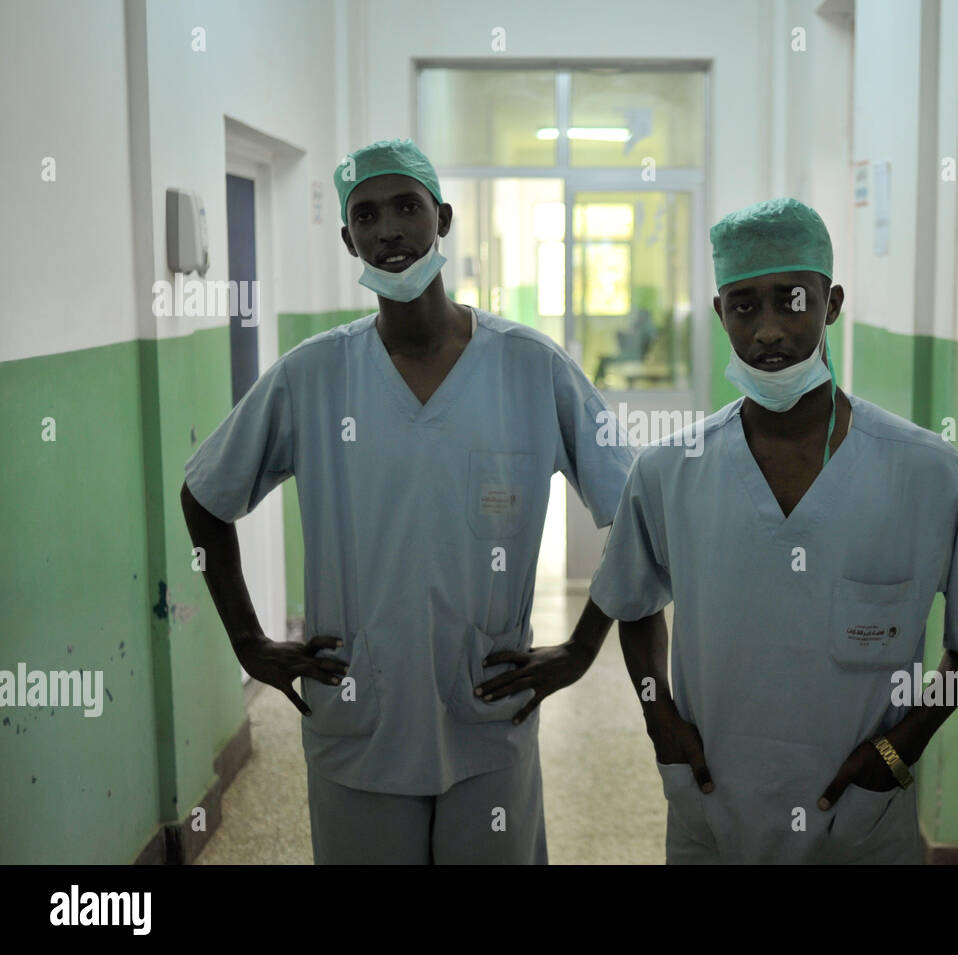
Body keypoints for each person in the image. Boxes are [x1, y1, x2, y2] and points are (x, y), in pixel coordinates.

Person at [180, 138, 634, 864]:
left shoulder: (530, 367)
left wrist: (583, 646)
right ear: (347, 237)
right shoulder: (314, 376)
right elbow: (205, 493)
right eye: (366, 214)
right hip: (361, 719)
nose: (387, 228)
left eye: (405, 207)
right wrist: (246, 640)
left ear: (442, 218)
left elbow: (633, 508)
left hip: (487, 713)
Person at [587, 197, 958, 864]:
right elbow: (633, 604)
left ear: (832, 302)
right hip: (716, 809)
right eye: (743, 305)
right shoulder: (670, 471)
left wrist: (906, 743)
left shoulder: (926, 473)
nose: (767, 330)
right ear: (719, 313)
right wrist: (659, 718)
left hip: (859, 819)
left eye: (791, 301)